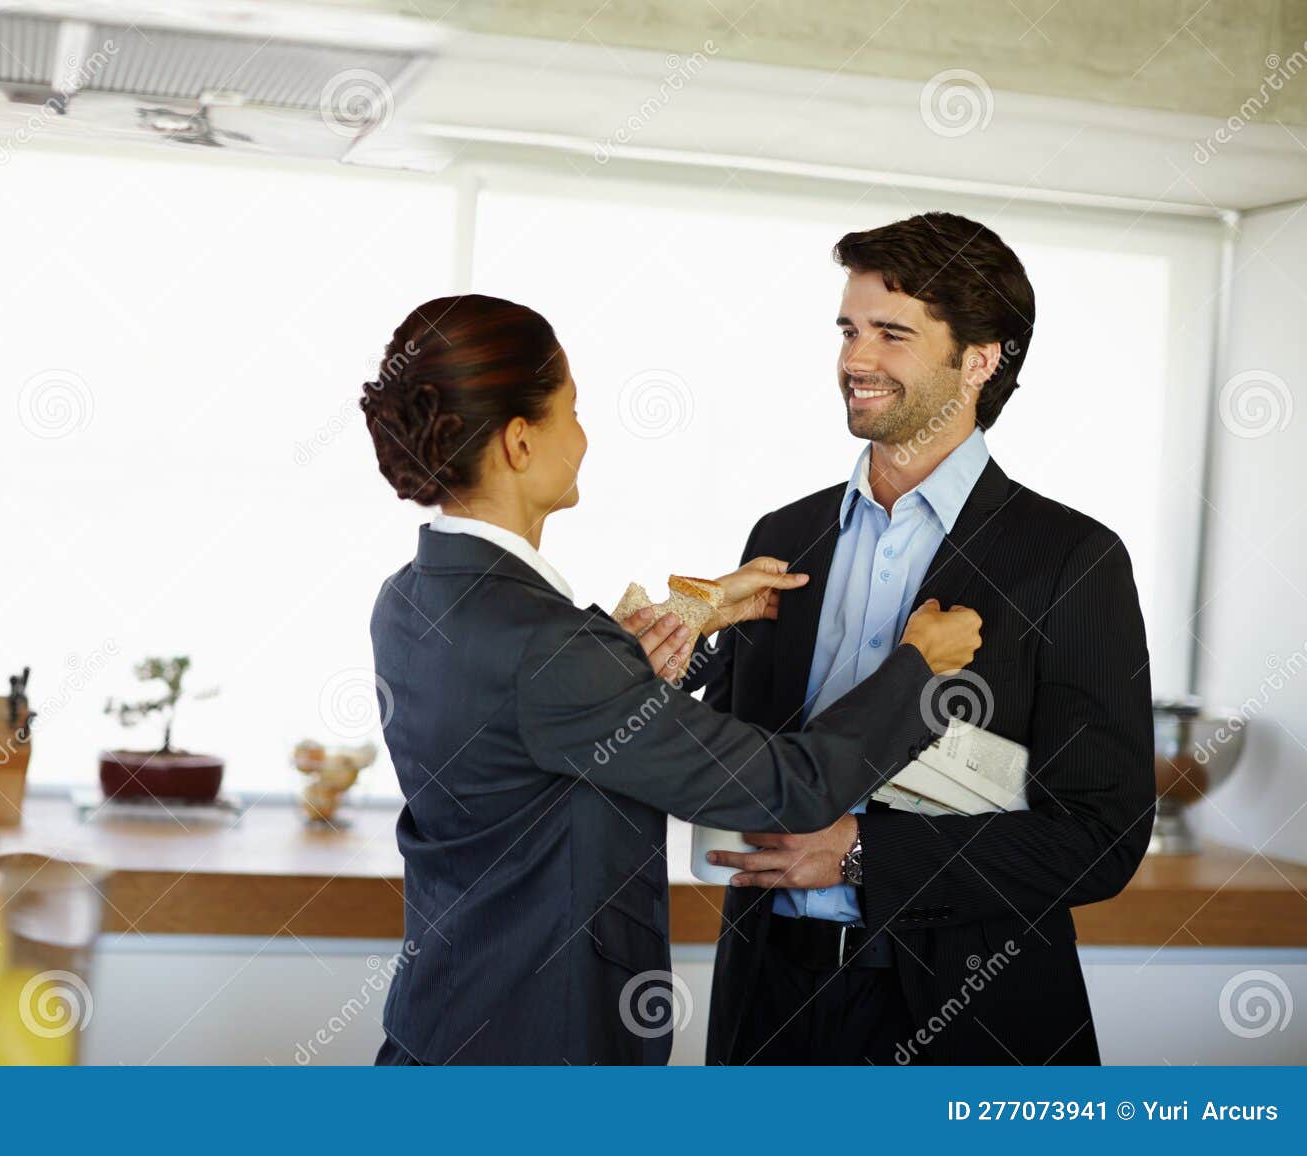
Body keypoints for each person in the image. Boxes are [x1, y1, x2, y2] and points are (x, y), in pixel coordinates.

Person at [359, 293, 982, 1065]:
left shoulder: (413, 593)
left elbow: (536, 718)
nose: (583, 437)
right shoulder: (550, 651)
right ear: (521, 441)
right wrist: (919, 668)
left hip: (442, 1025)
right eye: (572, 411)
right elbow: (790, 788)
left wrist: (691, 615)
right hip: (541, 1054)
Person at [695, 212, 1155, 1065]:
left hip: (971, 1014)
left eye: (891, 334)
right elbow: (721, 752)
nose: (855, 360)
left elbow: (1103, 838)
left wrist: (865, 854)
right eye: (848, 329)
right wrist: (684, 640)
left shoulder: (1072, 559)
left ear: (981, 359)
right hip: (770, 1008)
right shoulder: (784, 537)